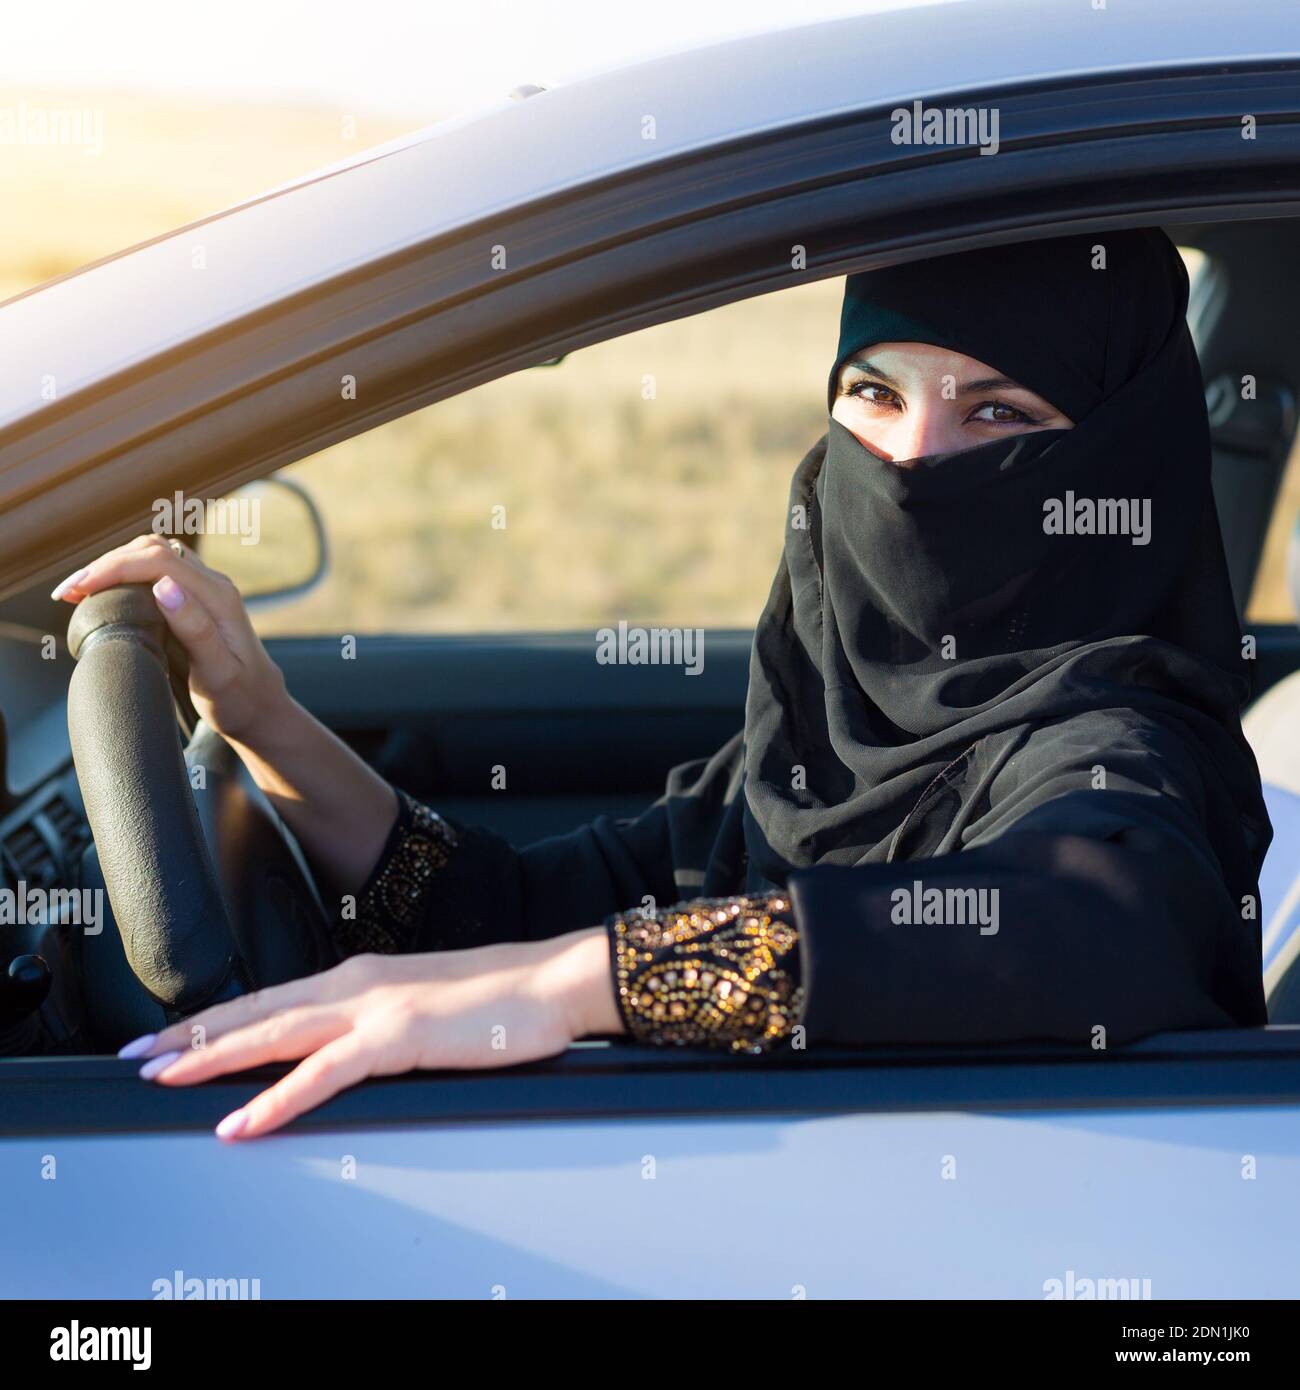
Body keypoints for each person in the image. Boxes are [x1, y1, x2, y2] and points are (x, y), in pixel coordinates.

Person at [54, 228, 1271, 1141]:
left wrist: (576, 987)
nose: (908, 463)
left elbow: (1085, 918)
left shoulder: (1117, 740)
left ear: (1110, 465)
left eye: (996, 412)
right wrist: (259, 716)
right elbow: (509, 903)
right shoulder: (828, 720)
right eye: (874, 393)